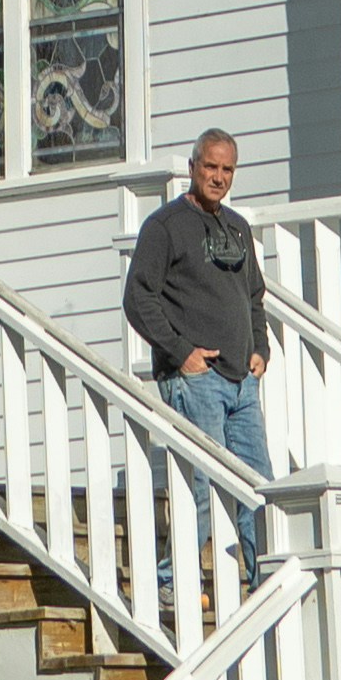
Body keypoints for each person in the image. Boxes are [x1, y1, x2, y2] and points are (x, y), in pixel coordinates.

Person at [124, 127, 275, 590]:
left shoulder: (237, 227)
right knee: (201, 487)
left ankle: (263, 578)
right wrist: (181, 352)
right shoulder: (165, 226)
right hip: (194, 379)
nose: (218, 177)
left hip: (240, 381)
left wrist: (260, 348)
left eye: (227, 169)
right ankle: (174, 584)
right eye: (210, 166)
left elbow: (253, 298)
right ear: (192, 168)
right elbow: (138, 297)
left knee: (258, 485)